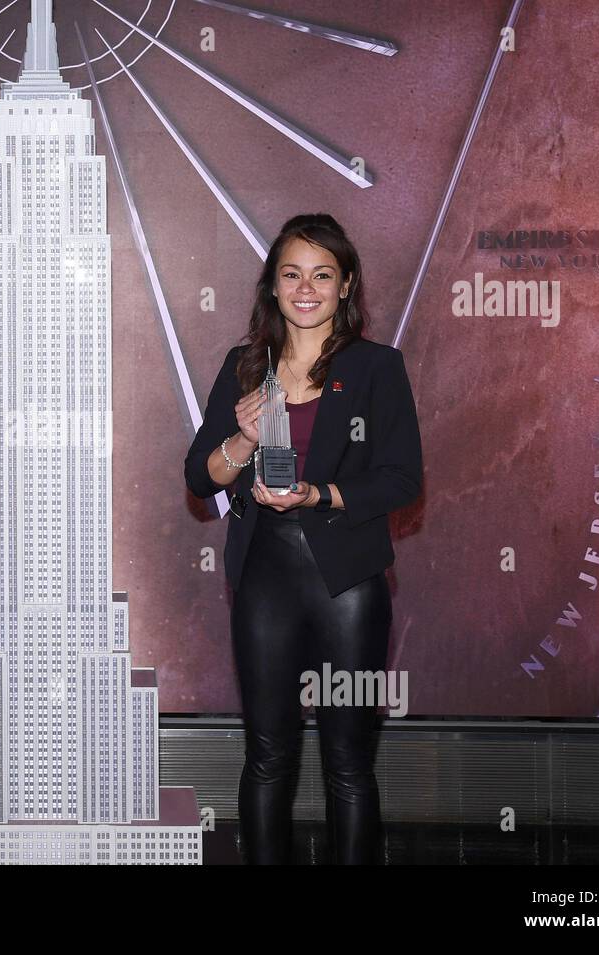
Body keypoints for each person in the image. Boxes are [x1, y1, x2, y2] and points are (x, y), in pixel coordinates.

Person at [183, 213, 421, 864]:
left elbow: (403, 479)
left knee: (348, 760)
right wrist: (243, 436)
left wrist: (321, 494)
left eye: (323, 274)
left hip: (349, 578)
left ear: (346, 286)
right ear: (273, 286)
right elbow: (199, 476)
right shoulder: (242, 367)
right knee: (267, 754)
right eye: (292, 273)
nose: (306, 287)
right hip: (265, 574)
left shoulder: (377, 368)